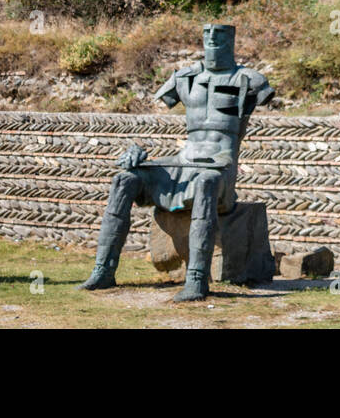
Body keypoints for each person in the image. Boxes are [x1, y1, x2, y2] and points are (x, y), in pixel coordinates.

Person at [79, 24, 273, 302]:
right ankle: (103, 270)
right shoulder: (185, 77)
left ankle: (196, 279)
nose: (211, 37)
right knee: (125, 178)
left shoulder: (249, 79)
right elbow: (162, 103)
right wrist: (137, 152)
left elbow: (261, 98)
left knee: (207, 181)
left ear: (231, 39)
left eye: (219, 33)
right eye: (207, 33)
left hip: (219, 166)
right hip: (184, 161)